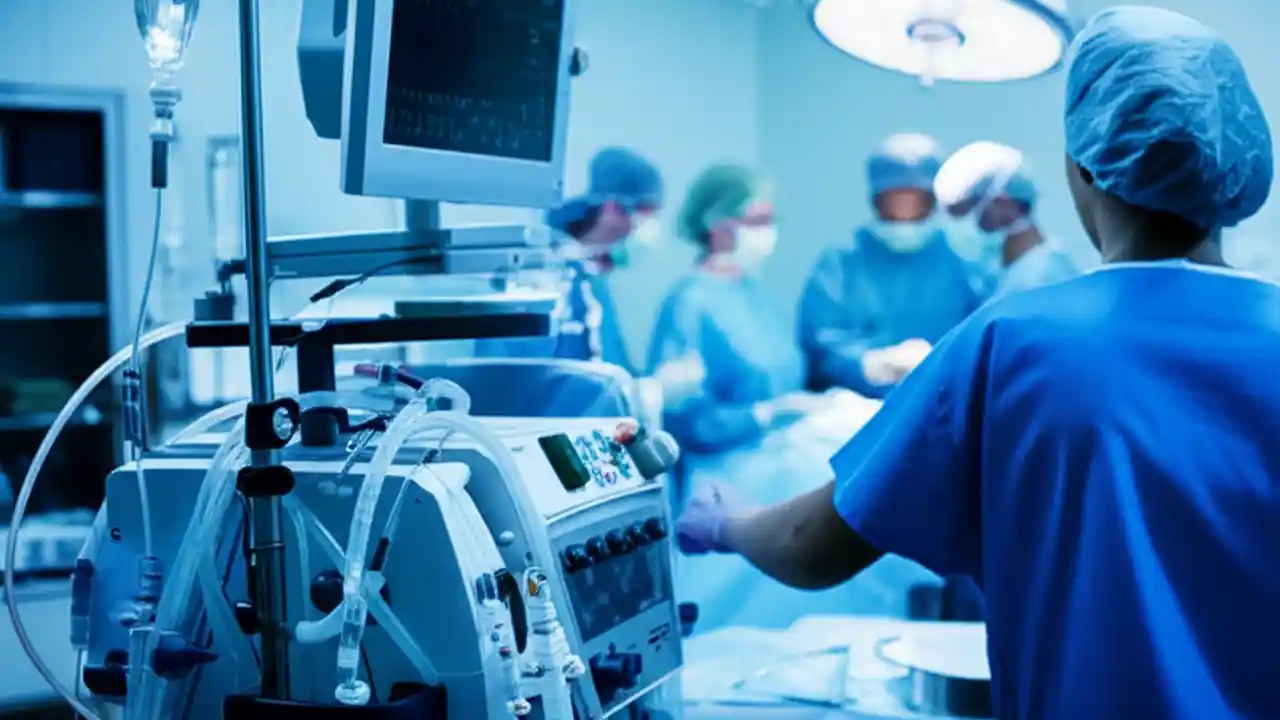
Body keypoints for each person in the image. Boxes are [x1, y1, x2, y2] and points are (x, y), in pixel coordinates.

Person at [676, 6, 1279, 717]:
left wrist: (729, 524)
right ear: (1237, 163)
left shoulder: (1014, 341)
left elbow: (813, 548)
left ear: (1081, 163)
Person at [649, 164, 923, 632]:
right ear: (718, 226)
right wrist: (767, 413)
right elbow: (685, 423)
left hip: (776, 454)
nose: (767, 233)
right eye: (756, 221)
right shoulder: (692, 302)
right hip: (731, 471)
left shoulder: (753, 292)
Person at [799, 133, 980, 399]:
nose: (904, 216)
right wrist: (873, 364)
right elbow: (821, 344)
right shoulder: (842, 262)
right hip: (859, 411)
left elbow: (986, 333)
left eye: (916, 202)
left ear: (934, 202)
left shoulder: (963, 257)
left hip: (946, 401)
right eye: (895, 202)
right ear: (876, 200)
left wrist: (945, 364)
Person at [475, 147, 663, 374]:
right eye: (646, 212)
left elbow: (609, 370)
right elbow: (513, 378)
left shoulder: (592, 279)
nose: (649, 227)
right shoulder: (542, 277)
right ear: (613, 208)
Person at [936, 141, 1083, 301]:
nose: (958, 224)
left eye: (962, 211)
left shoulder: (1041, 278)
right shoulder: (1004, 276)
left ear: (1003, 203)